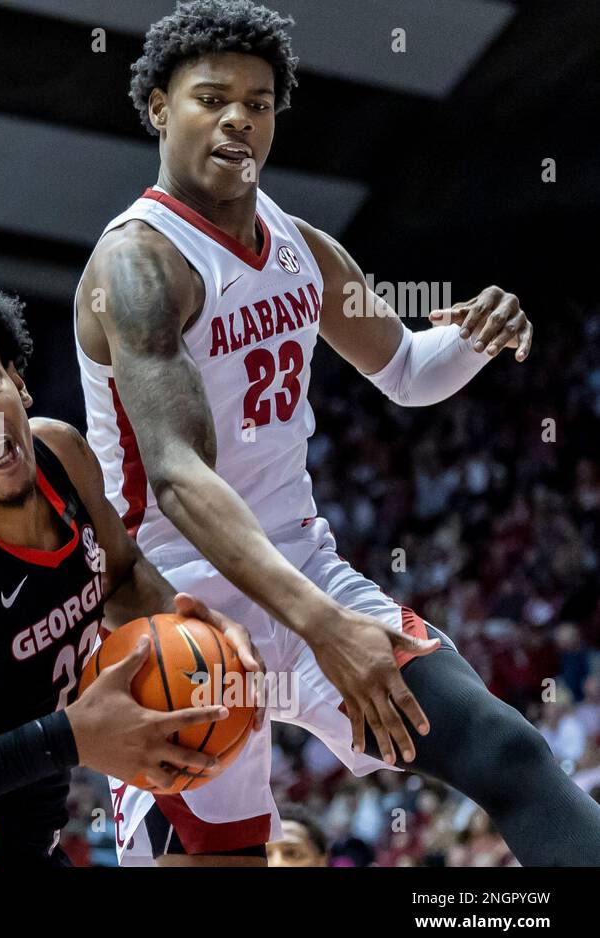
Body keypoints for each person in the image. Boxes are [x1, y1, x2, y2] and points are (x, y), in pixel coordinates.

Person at [73, 0, 600, 865]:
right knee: (225, 856)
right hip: (176, 598)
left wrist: (472, 336)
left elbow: (404, 369)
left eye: (260, 100)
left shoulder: (299, 246)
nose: (239, 116)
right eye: (212, 97)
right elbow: (175, 475)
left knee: (508, 753)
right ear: (160, 107)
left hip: (303, 562)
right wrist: (322, 626)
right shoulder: (139, 263)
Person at [0, 275, 259, 866]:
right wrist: (72, 738)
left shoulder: (62, 456)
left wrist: (207, 643)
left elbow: (123, 577)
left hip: (38, 848)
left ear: (18, 382)